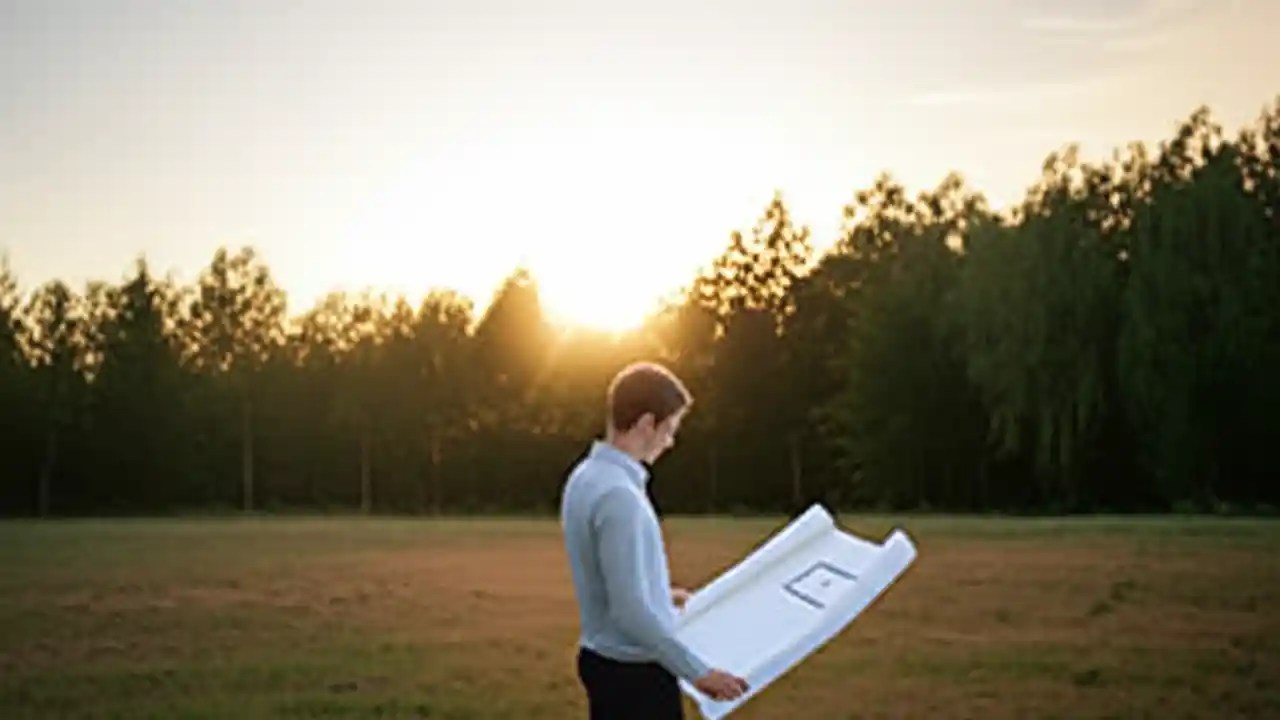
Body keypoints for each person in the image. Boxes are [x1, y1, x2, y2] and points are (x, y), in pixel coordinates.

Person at [560, 361, 749, 719]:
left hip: (605, 663)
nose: (671, 441)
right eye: (670, 428)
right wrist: (700, 673)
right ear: (647, 424)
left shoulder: (585, 476)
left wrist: (661, 592)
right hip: (635, 676)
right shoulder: (619, 496)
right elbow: (630, 611)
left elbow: (610, 577)